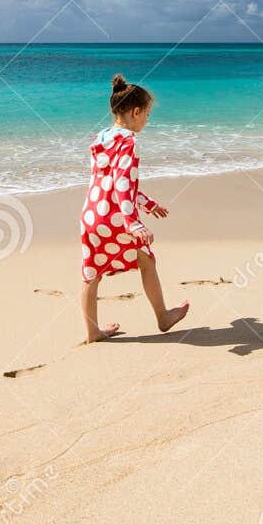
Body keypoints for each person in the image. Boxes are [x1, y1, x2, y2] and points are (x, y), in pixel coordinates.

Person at [78, 75, 191, 341]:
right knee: (147, 261)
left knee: (90, 274)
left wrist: (148, 204)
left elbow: (110, 181)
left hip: (92, 215)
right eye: (147, 115)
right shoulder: (128, 141)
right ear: (135, 111)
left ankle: (92, 332)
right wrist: (133, 222)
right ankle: (163, 317)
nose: (147, 120)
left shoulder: (100, 137)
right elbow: (121, 181)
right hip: (117, 216)